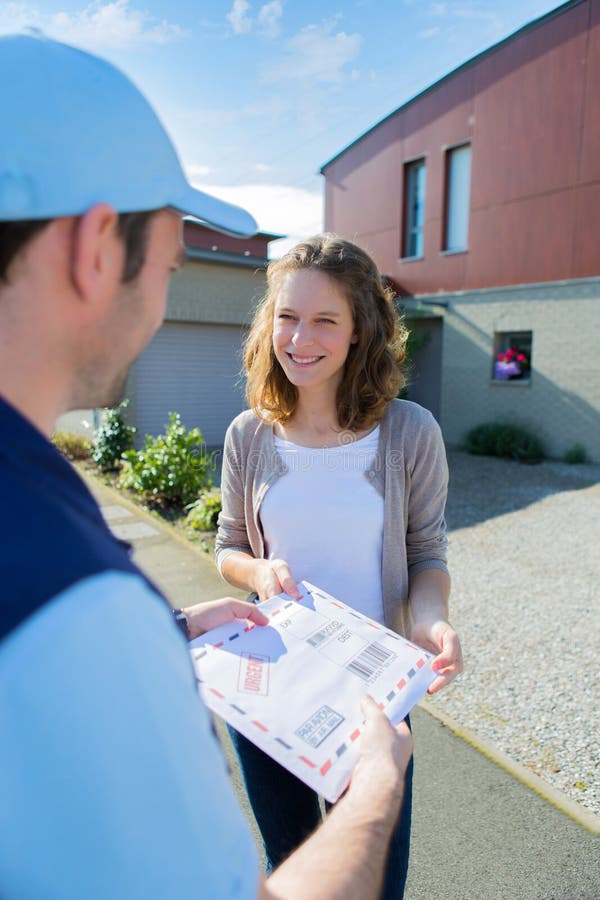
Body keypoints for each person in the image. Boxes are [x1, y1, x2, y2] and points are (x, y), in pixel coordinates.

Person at [0, 33, 413, 900]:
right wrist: (377, 787)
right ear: (96, 247)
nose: (162, 304)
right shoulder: (70, 597)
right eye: (173, 264)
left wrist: (159, 633)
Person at [216, 234, 464, 898]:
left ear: (359, 331)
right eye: (288, 317)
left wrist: (432, 620)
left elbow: (426, 554)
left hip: (373, 696)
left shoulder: (411, 433)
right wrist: (259, 574)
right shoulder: (249, 434)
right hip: (268, 688)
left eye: (325, 319)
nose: (300, 337)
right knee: (291, 870)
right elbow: (229, 548)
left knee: (374, 883)